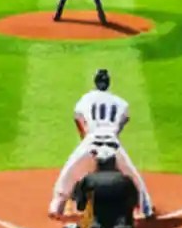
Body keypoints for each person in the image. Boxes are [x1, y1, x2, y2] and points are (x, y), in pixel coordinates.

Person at [49, 68, 155, 219]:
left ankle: (56, 206)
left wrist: (85, 142)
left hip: (91, 140)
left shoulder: (85, 99)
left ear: (96, 82)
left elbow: (79, 120)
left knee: (69, 173)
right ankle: (145, 208)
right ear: (108, 83)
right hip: (113, 142)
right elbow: (121, 125)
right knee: (133, 176)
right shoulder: (121, 103)